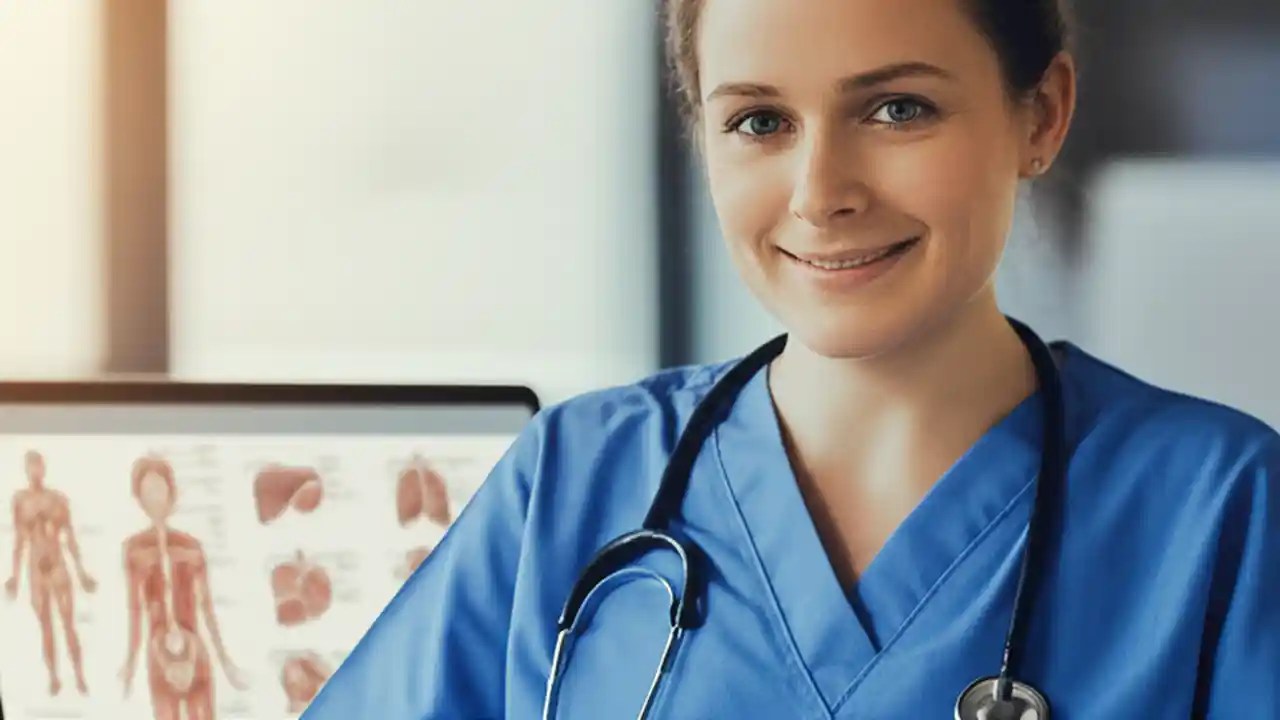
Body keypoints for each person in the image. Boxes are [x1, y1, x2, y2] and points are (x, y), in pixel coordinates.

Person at [302, 0, 1279, 717]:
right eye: (757, 122)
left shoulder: (1219, 510)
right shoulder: (573, 480)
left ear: (1040, 115)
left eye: (896, 108)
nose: (820, 193)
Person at [120, 455, 247, 720]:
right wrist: (130, 663)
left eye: (159, 489)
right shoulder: (135, 550)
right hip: (158, 655)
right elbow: (135, 609)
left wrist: (226, 662)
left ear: (171, 491)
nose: (154, 498)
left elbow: (206, 606)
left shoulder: (190, 548)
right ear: (139, 498)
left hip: (194, 650)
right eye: (147, 492)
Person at [5, 450, 97, 697]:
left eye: (38, 466)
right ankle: (54, 677)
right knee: (46, 625)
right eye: (30, 466)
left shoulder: (57, 499)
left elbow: (70, 537)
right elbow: (19, 541)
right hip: (36, 570)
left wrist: (81, 573)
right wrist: (13, 576)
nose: (35, 471)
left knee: (68, 624)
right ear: (26, 470)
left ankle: (79, 676)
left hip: (58, 565)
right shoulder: (20, 501)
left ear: (43, 468)